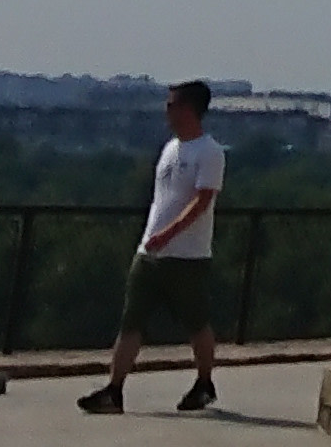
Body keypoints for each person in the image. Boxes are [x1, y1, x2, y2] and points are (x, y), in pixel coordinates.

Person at [79, 82, 226, 415]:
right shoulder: (171, 148)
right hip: (150, 252)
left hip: (187, 256)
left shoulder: (209, 151)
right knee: (131, 320)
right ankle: (114, 389)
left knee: (196, 322)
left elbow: (202, 202)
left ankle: (205, 382)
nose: (167, 110)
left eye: (172, 104)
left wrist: (169, 234)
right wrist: (152, 238)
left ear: (189, 109)